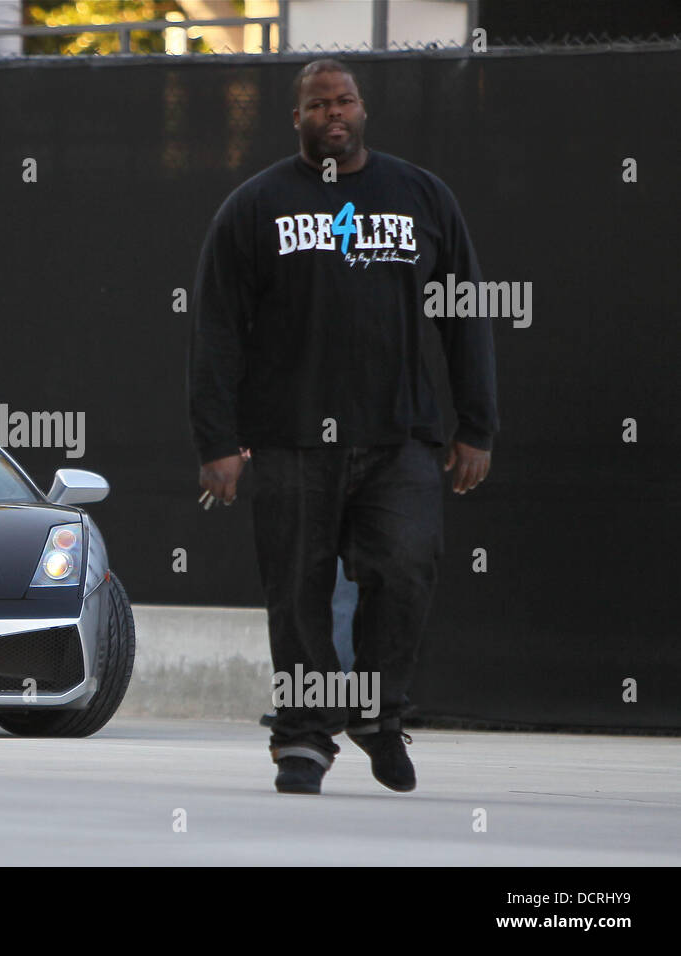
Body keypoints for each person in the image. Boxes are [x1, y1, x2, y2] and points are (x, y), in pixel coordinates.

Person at [187, 59, 499, 795]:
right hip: (292, 437)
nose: (334, 112)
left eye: (346, 100)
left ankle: (377, 714)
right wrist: (217, 442)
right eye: (318, 104)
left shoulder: (421, 195)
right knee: (297, 592)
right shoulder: (254, 206)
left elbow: (464, 314)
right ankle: (303, 738)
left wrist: (476, 425)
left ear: (364, 111)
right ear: (295, 119)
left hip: (399, 437)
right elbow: (218, 331)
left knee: (406, 569)